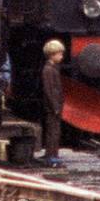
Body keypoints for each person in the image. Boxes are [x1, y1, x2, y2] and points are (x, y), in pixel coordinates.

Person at [41, 39, 65, 167]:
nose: (61, 57)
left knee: (55, 130)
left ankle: (52, 154)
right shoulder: (48, 70)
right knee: (53, 131)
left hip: (55, 105)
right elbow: (49, 89)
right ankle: (51, 156)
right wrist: (55, 106)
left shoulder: (52, 69)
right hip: (53, 106)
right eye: (60, 54)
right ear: (52, 54)